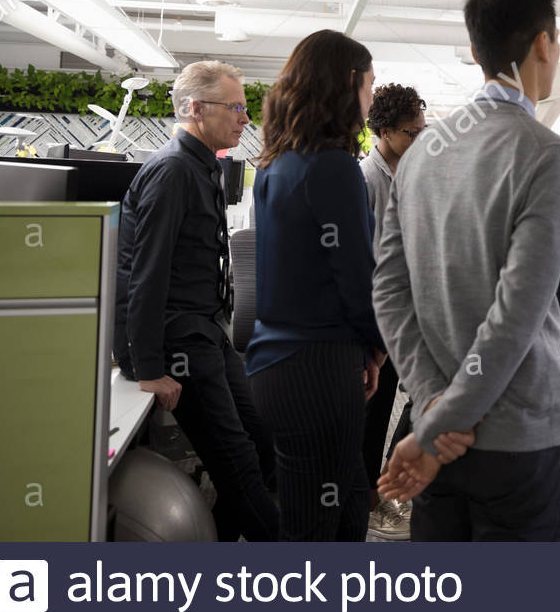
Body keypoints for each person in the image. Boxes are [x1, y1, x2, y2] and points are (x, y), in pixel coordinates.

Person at [374, 0, 560, 541]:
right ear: (544, 44)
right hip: (518, 437)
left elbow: (389, 292)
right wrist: (442, 420)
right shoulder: (550, 156)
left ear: (474, 51)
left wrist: (432, 406)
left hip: (438, 432)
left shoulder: (419, 154)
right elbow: (515, 319)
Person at [114, 60, 278, 541]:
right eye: (236, 108)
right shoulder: (172, 172)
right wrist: (147, 368)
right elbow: (145, 275)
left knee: (262, 443)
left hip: (207, 332)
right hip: (179, 339)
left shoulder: (203, 166)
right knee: (239, 463)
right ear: (195, 108)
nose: (245, 118)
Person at [245, 31, 393, 541]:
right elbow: (357, 279)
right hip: (316, 371)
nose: (371, 102)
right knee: (312, 533)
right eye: (369, 87)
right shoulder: (333, 167)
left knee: (348, 503)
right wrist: (377, 349)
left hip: (278, 364)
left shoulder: (276, 164)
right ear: (345, 85)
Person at [361, 83, 428, 539]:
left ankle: (383, 489)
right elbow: (366, 260)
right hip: (379, 314)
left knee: (408, 403)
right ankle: (368, 502)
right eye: (411, 133)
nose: (420, 140)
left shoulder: (406, 169)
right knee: (373, 413)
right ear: (384, 130)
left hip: (406, 308)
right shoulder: (367, 179)